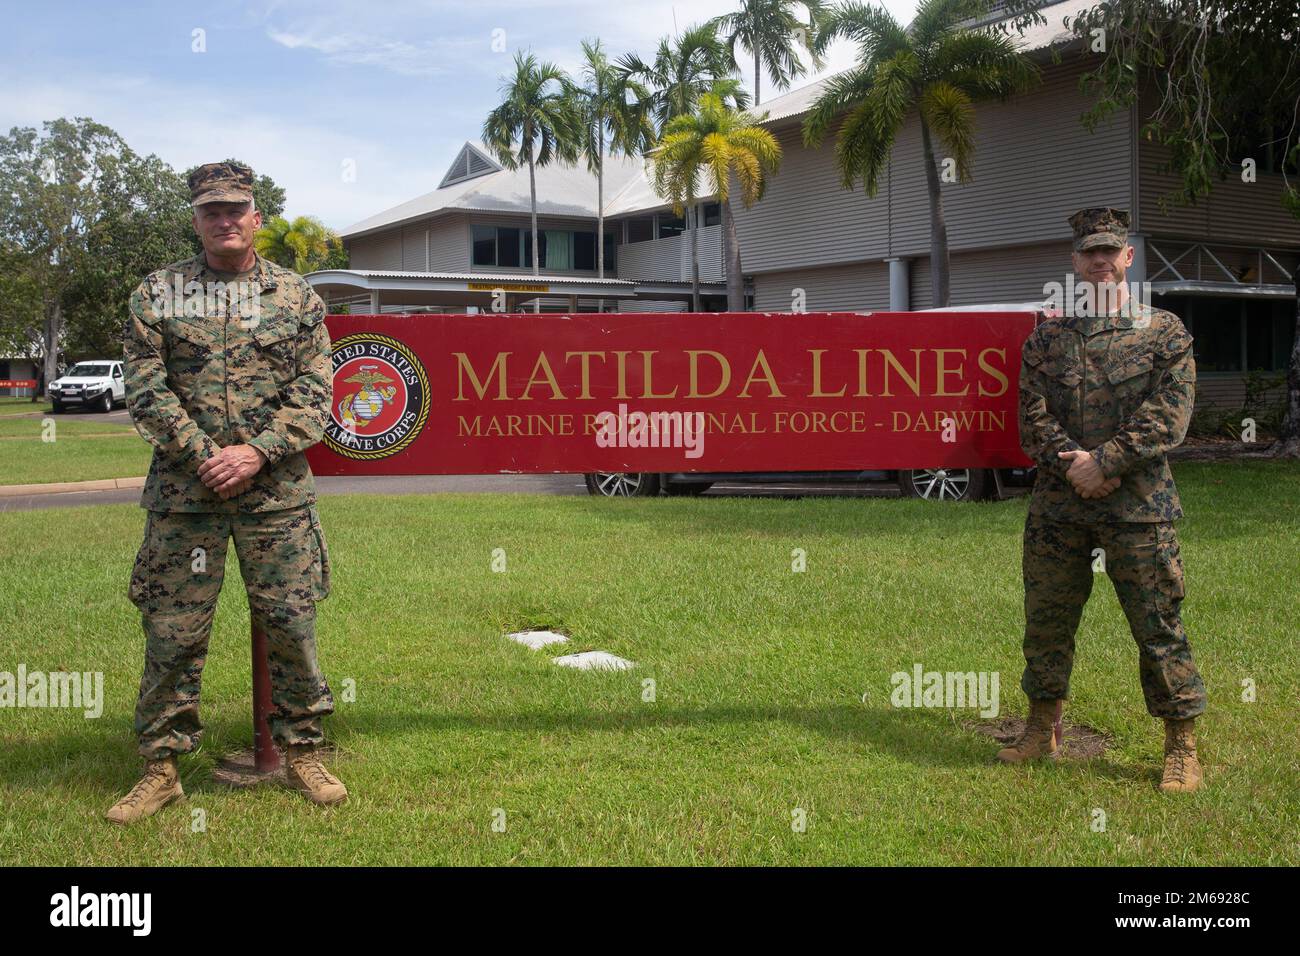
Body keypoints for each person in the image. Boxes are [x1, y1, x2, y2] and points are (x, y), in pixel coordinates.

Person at [107, 161, 346, 825]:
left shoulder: (297, 299)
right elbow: (146, 390)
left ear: (256, 216)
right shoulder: (158, 293)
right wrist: (206, 454)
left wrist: (256, 452)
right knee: (172, 631)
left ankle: (303, 751)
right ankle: (160, 769)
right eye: (212, 210)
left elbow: (314, 394)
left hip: (276, 496)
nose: (225, 219)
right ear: (196, 220)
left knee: (292, 624)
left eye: (236, 207)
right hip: (187, 498)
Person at [1000, 206, 1207, 793]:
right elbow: (1032, 420)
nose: (1099, 261)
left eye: (1109, 251)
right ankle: (1042, 728)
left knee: (1157, 622)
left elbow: (1170, 416)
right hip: (1059, 507)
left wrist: (1106, 463)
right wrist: (1078, 469)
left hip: (1139, 507)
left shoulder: (1163, 333)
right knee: (1046, 619)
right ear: (1074, 262)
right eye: (1089, 252)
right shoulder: (1045, 340)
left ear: (1128, 257)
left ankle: (1181, 745)